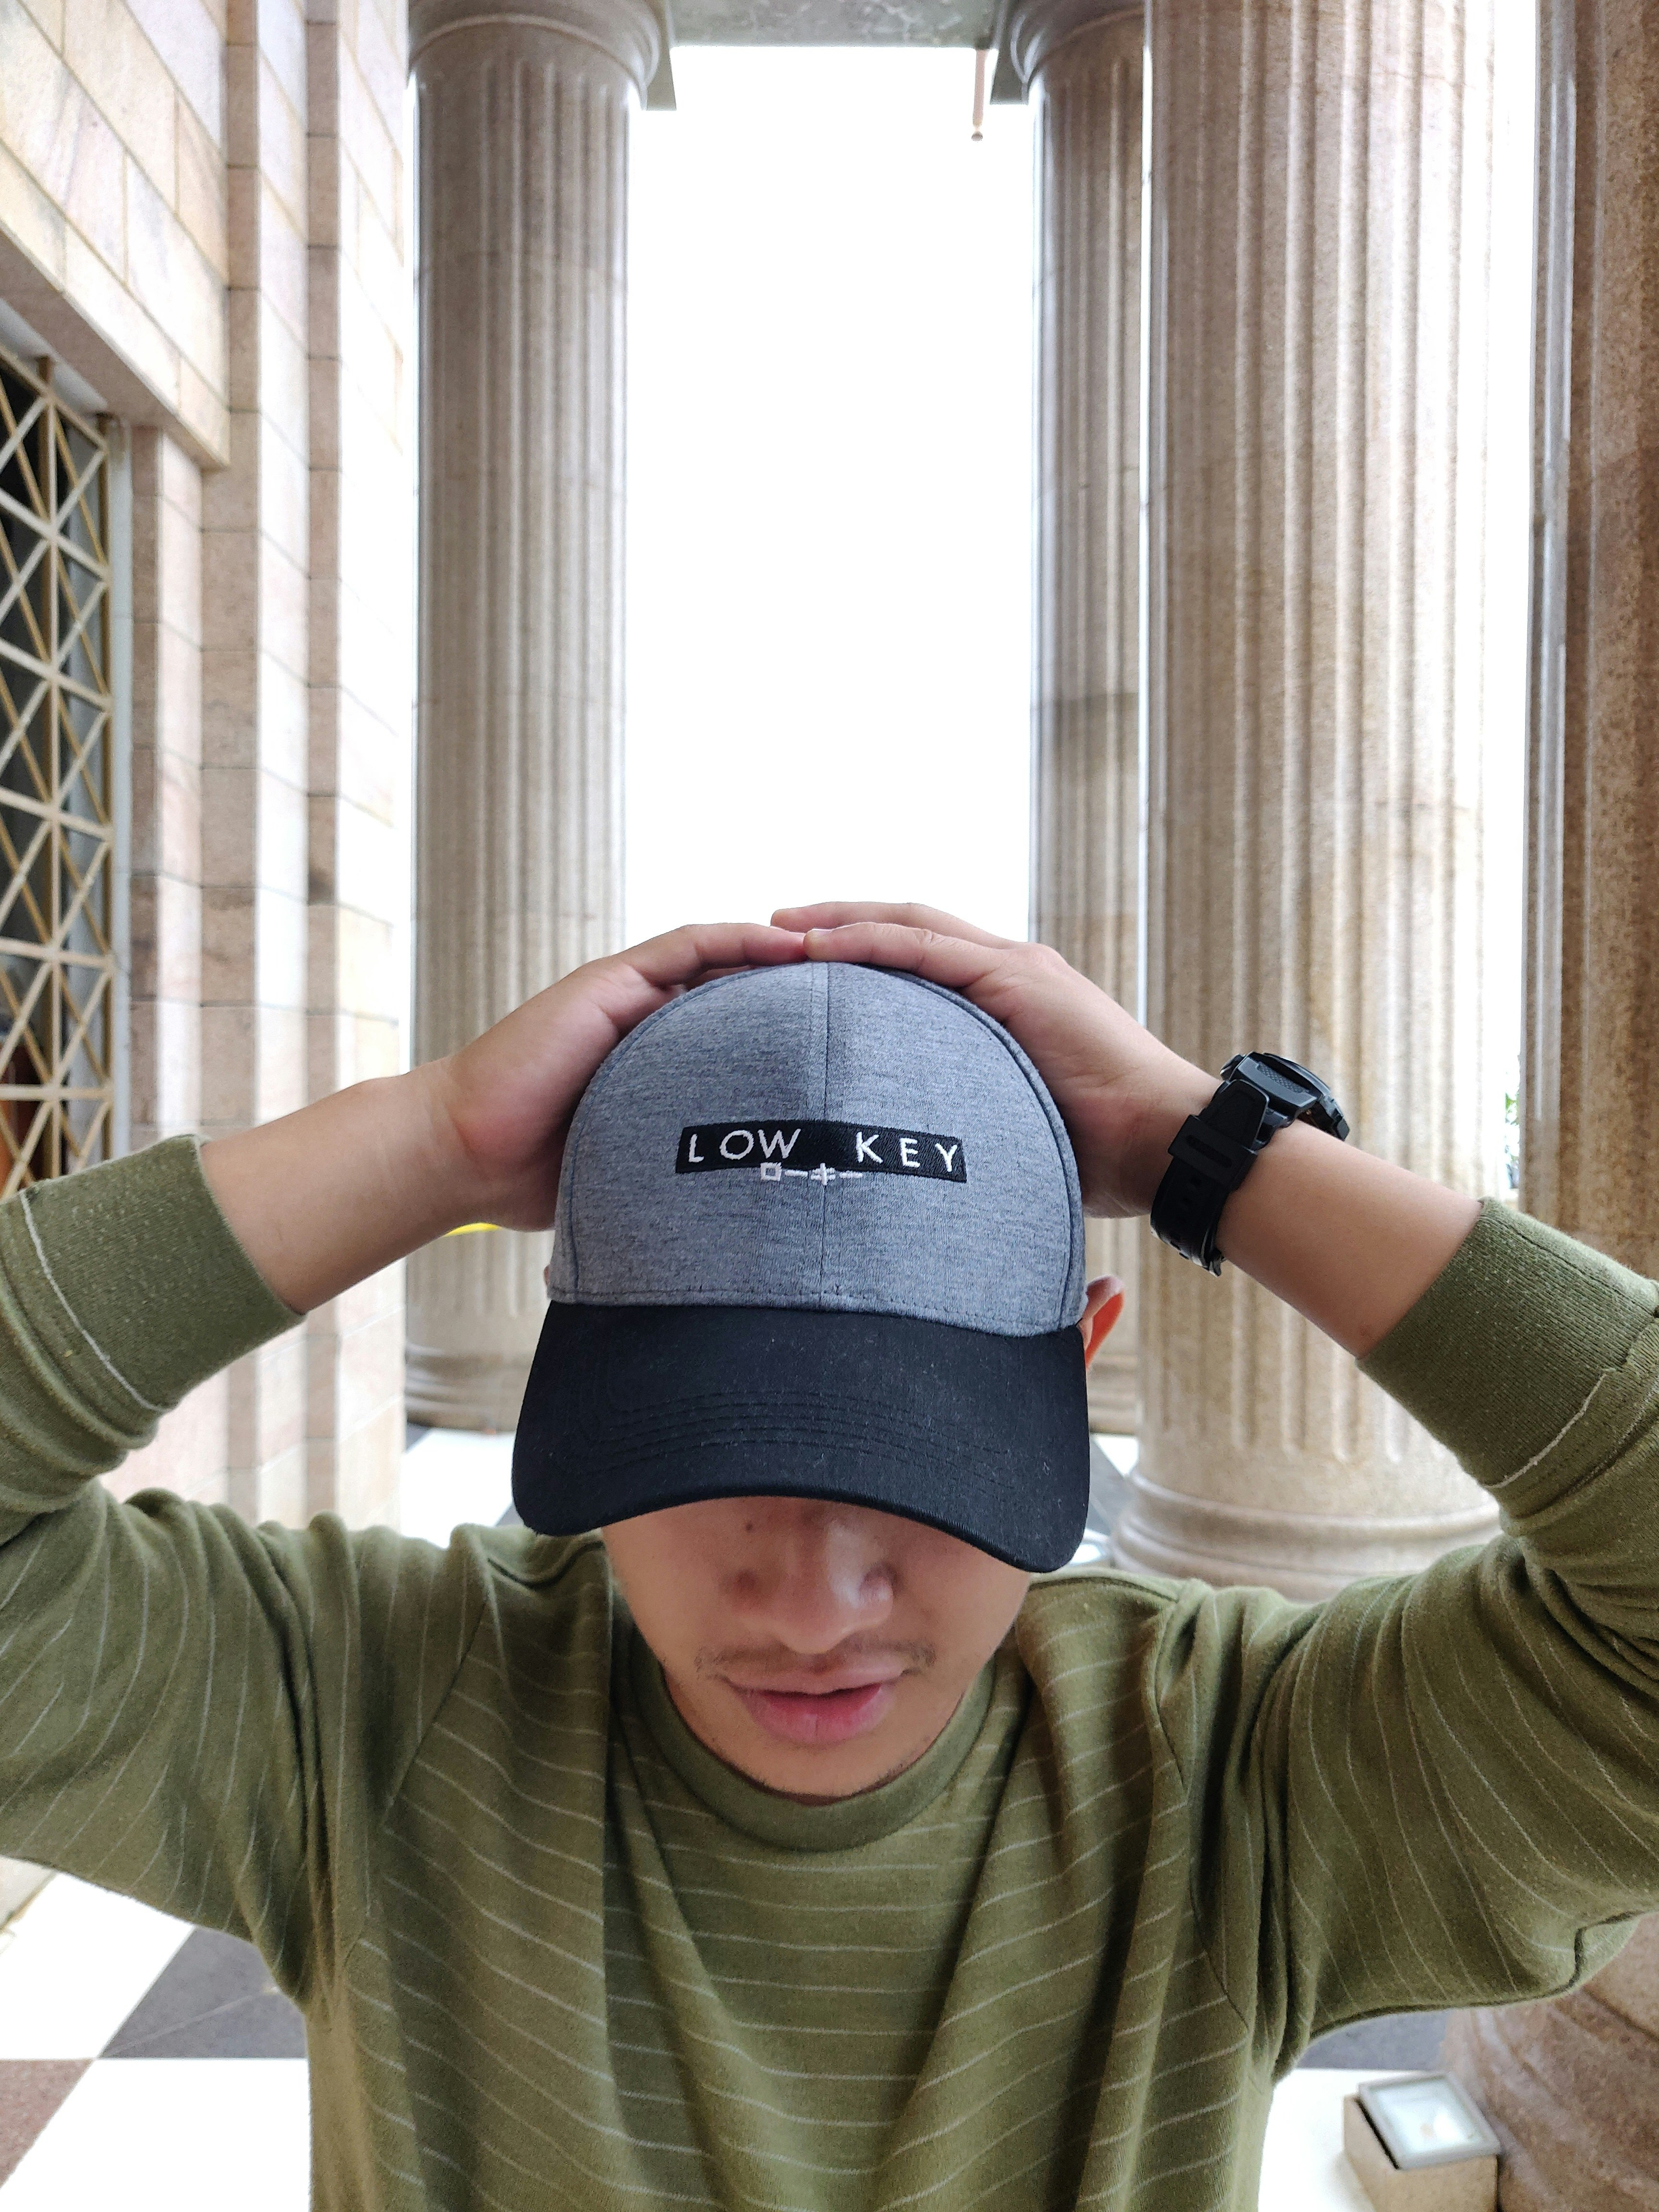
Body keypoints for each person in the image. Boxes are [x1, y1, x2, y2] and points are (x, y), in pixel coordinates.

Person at [2, 901, 1656, 2212]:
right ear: (567, 1384)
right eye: (705, 1454)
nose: (808, 1605)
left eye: (914, 1467)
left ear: (1079, 1367)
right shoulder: (363, 1715)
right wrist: (429, 1140)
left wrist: (1201, 1144)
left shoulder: (1235, 1776)